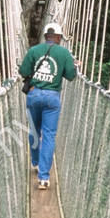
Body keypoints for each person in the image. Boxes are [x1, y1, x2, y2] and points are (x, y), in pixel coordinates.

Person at [19, 21, 78, 189]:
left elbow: (23, 72)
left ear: (45, 36)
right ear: (59, 37)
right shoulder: (65, 53)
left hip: (34, 95)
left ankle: (36, 162)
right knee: (49, 136)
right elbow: (70, 76)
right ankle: (44, 178)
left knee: (34, 131)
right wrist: (73, 66)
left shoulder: (33, 51)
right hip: (52, 99)